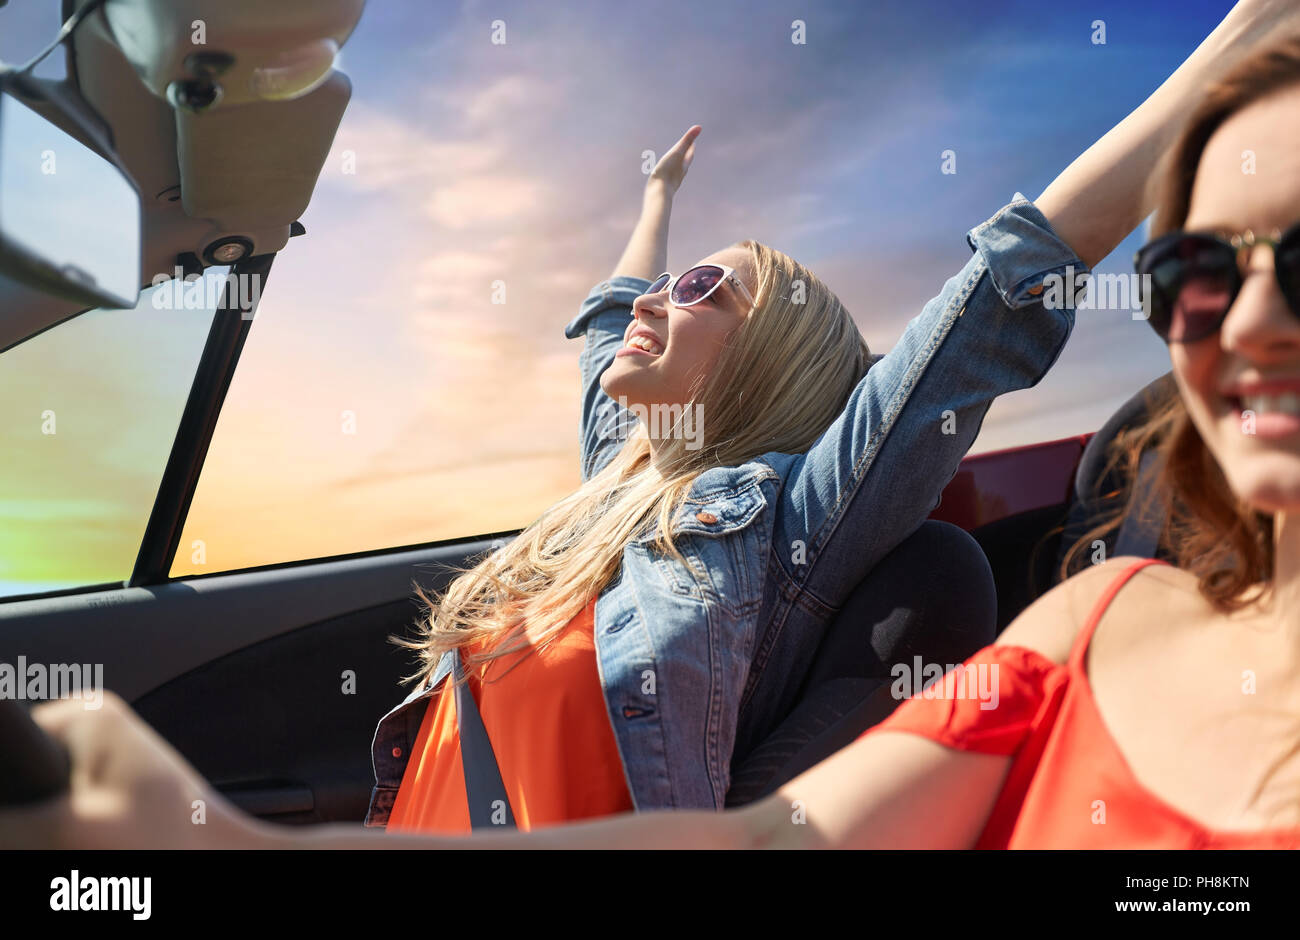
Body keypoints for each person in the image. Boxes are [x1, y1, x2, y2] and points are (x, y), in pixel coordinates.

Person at [4, 1, 1298, 851]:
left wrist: (1231, 56)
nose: (658, 303)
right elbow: (603, 319)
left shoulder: (782, 537)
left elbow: (998, 293)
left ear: (770, 365)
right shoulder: (612, 496)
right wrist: (657, 201)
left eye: (710, 292)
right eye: (675, 284)